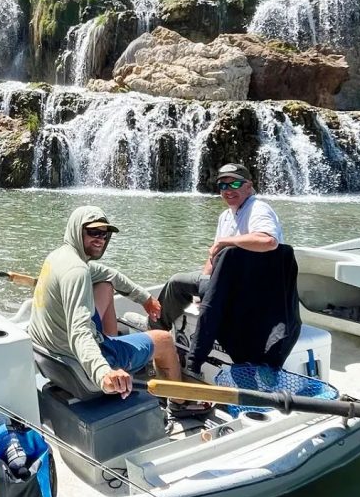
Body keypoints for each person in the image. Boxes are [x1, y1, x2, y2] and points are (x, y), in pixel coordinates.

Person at [28, 205, 205, 416]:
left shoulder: (59, 257)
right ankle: (179, 403)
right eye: (93, 232)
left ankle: (113, 346)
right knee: (164, 340)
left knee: (105, 286)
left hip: (53, 358)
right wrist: (103, 371)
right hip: (79, 363)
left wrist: (145, 298)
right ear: (77, 230)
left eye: (104, 234)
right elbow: (79, 332)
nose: (100, 239)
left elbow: (109, 274)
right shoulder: (77, 271)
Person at [159, 161, 285, 354]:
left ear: (249, 186)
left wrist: (226, 241)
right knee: (192, 281)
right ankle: (162, 332)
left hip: (251, 286)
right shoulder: (225, 216)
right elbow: (213, 256)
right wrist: (204, 286)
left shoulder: (258, 208)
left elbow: (269, 241)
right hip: (228, 283)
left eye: (235, 184)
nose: (228, 190)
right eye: (223, 185)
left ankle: (155, 331)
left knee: (176, 282)